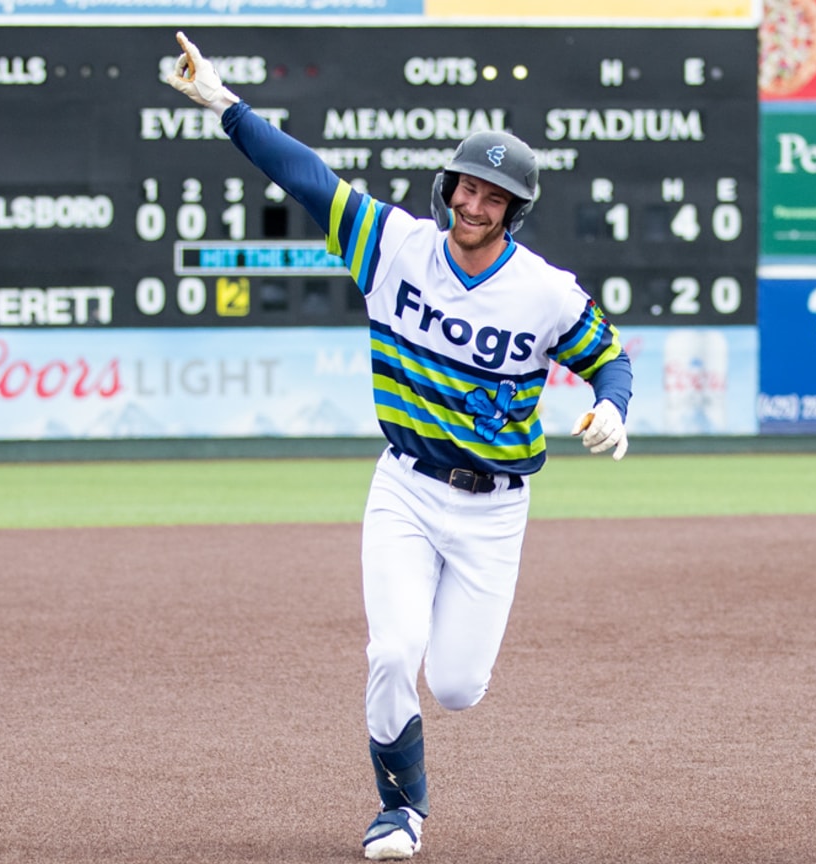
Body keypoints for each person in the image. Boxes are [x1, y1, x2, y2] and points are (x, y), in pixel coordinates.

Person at [165, 31, 633, 861]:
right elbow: (304, 176)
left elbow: (611, 359)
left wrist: (613, 407)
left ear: (513, 210)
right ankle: (400, 810)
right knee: (391, 654)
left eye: (492, 195)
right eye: (465, 185)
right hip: (406, 488)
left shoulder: (546, 293)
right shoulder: (394, 246)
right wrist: (225, 105)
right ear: (446, 185)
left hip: (495, 510)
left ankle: (422, 754)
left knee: (455, 686)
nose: (472, 204)